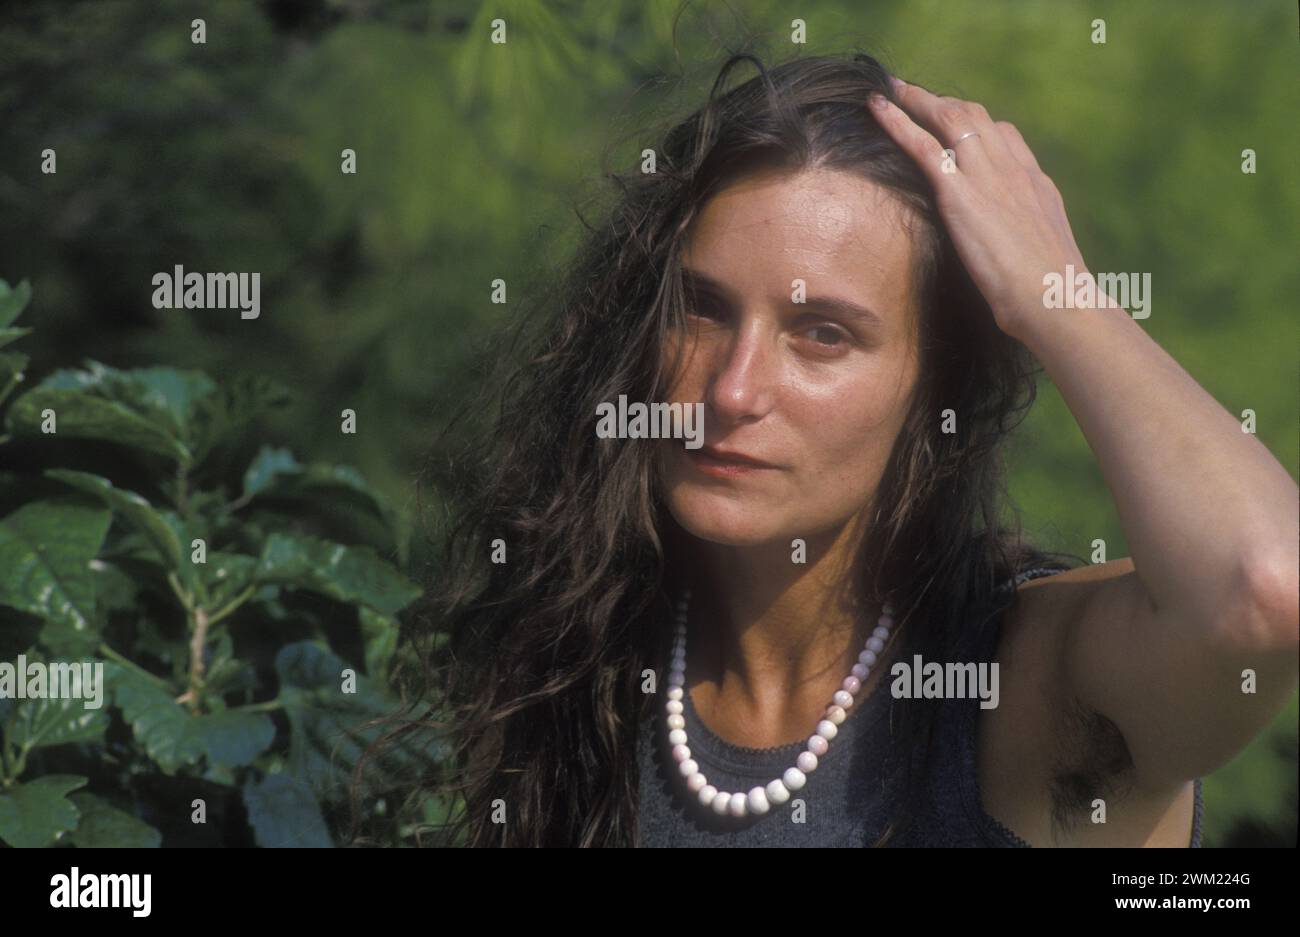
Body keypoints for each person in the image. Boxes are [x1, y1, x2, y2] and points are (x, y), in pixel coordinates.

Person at [384, 52, 1298, 847]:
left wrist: (1055, 294)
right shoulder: (574, 660)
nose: (733, 390)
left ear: (932, 393)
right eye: (701, 308)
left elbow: (1265, 588)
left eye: (823, 333)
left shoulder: (1021, 687)